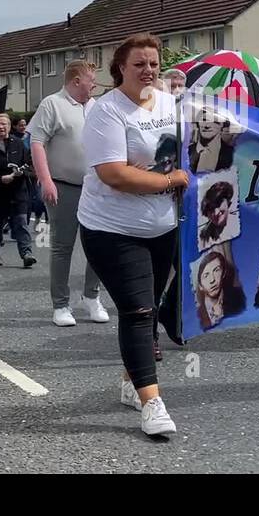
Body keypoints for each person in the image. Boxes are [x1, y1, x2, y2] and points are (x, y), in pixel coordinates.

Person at [77, 32, 186, 437]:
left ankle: (130, 380)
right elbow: (114, 174)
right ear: (120, 68)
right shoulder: (106, 112)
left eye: (154, 63)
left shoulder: (169, 103)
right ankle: (152, 402)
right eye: (139, 64)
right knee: (138, 311)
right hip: (113, 230)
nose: (148, 70)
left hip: (162, 227)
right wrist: (171, 179)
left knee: (151, 306)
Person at [28, 60, 109, 327]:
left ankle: (91, 296)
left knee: (99, 244)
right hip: (64, 185)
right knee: (63, 246)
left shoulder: (95, 107)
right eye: (91, 80)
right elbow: (37, 143)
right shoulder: (52, 104)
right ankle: (61, 305)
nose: (94, 85)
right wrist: (45, 180)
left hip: (95, 187)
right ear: (76, 81)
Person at [0, 114, 36, 268]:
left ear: (10, 127)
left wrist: (22, 172)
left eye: (4, 124)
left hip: (18, 192)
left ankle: (26, 253)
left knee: (21, 223)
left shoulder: (19, 144)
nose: (1, 127)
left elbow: (30, 164)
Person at [193, 249, 246, 331]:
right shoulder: (195, 314)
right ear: (200, 285)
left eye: (216, 270)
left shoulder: (238, 300)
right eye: (206, 275)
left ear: (224, 273)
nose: (212, 280)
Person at [187, 105, 236, 173]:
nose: (207, 125)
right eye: (204, 120)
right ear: (198, 123)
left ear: (222, 126)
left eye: (214, 122)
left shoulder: (233, 154)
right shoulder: (186, 151)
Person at [198, 180, 235, 248]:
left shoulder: (238, 226)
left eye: (218, 205)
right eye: (211, 209)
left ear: (228, 204)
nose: (216, 213)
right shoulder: (203, 236)